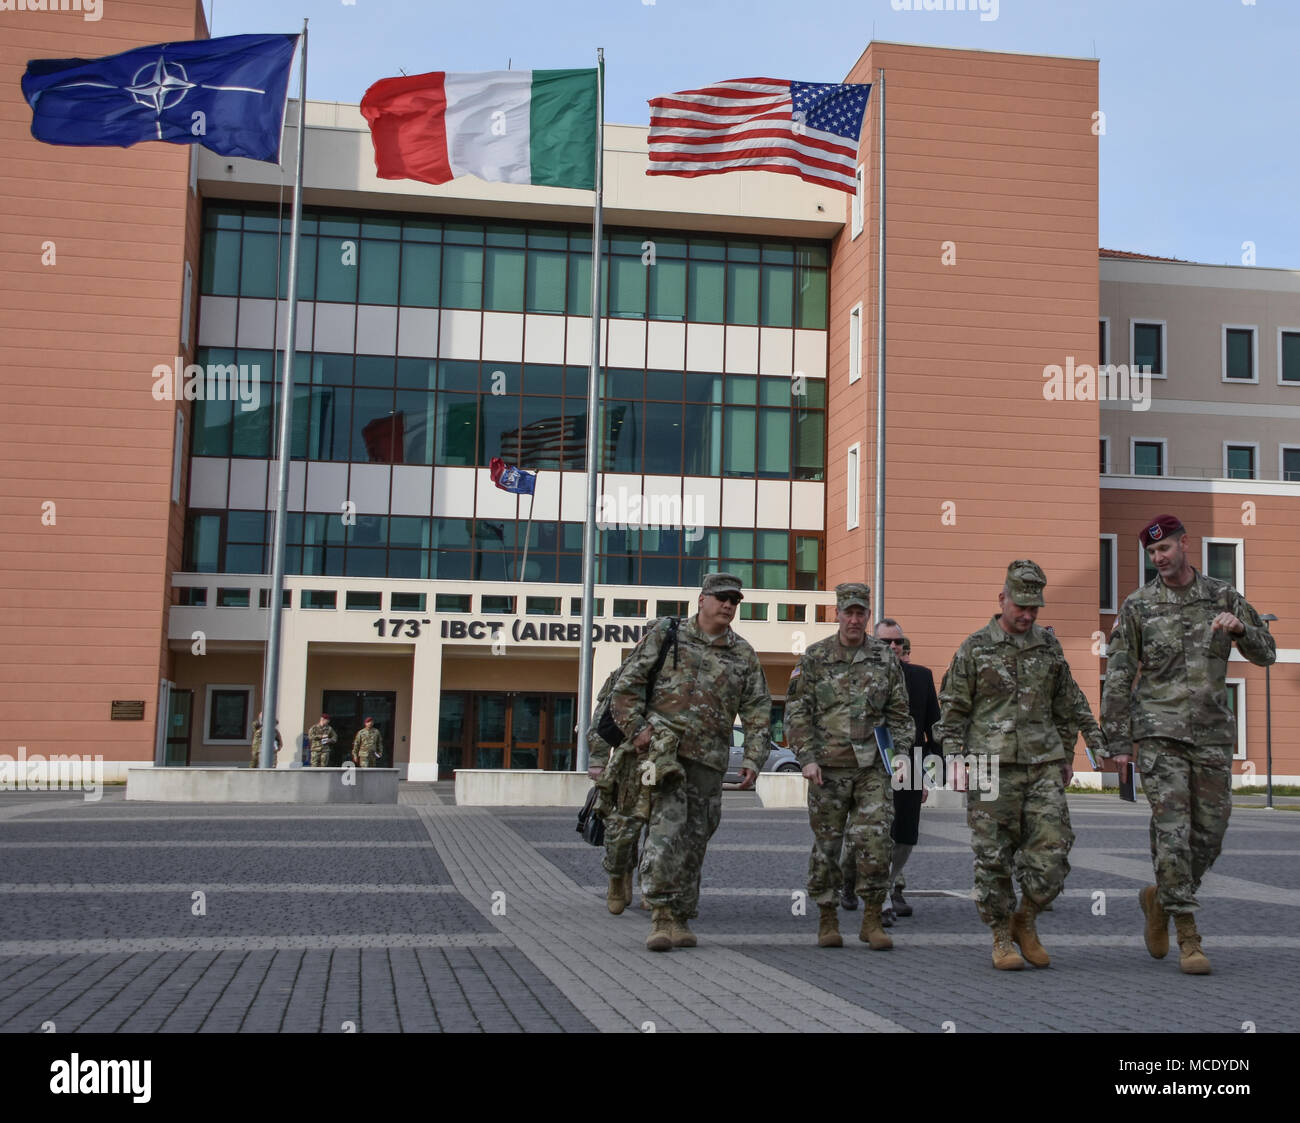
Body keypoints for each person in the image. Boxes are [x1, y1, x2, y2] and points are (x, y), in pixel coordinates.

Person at [1101, 515, 1275, 975]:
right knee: (1173, 833)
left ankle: (1160, 898)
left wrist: (1241, 630)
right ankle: (1188, 935)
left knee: (1210, 834)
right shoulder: (1137, 606)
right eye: (1152, 554)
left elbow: (1267, 652)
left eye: (1165, 550)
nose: (1159, 559)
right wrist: (1118, 742)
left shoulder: (1223, 596)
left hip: (1213, 734)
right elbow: (1118, 675)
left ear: (1184, 545)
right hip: (1159, 736)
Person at [937, 561, 1106, 971]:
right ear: (1002, 600)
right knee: (993, 857)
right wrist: (955, 759)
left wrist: (1067, 753)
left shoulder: (1048, 647)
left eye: (1034, 608)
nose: (1027, 615)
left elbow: (1068, 704)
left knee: (1054, 851)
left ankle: (1025, 919)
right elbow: (952, 713)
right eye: (1020, 606)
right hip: (987, 765)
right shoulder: (974, 648)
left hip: (1042, 763)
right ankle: (1000, 936)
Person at [607, 573, 771, 952]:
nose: (728, 605)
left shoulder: (742, 653)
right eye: (721, 598)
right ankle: (661, 915)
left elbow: (758, 709)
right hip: (661, 754)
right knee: (666, 831)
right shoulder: (668, 636)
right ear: (702, 600)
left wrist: (753, 758)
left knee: (696, 837)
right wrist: (638, 731)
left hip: (709, 760)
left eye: (734, 600)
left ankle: (681, 915)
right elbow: (626, 686)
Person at [786, 583, 914, 950]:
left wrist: (899, 755)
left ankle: (872, 918)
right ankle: (827, 917)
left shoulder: (885, 658)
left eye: (861, 613)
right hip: (827, 768)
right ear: (838, 613)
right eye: (849, 612)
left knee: (875, 841)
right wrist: (806, 758)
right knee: (827, 846)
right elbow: (797, 712)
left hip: (872, 768)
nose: (855, 619)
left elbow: (900, 714)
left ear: (867, 616)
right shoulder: (815, 657)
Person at [839, 619, 943, 925]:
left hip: (909, 763)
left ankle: (884, 882)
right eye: (885, 642)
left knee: (906, 836)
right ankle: (874, 892)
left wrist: (929, 774)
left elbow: (933, 729)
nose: (893, 647)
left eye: (898, 642)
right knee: (870, 833)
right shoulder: (859, 675)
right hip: (870, 764)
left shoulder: (921, 677)